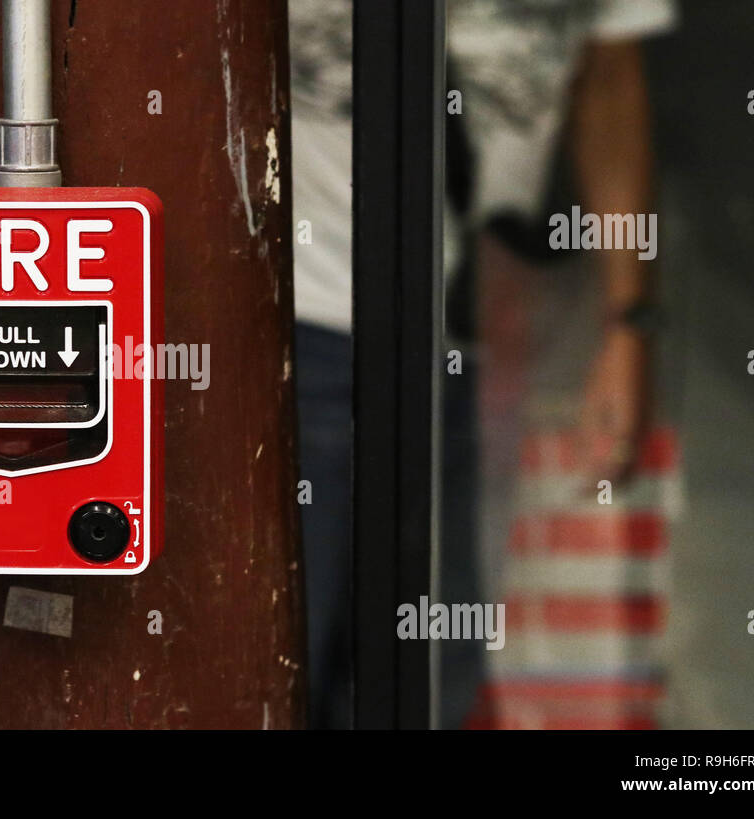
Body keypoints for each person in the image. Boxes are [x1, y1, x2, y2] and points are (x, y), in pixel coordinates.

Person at [289, 0, 677, 728]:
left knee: (430, 673)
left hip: (461, 342)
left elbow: (609, 80)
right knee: (279, 660)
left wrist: (631, 325)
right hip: (293, 317)